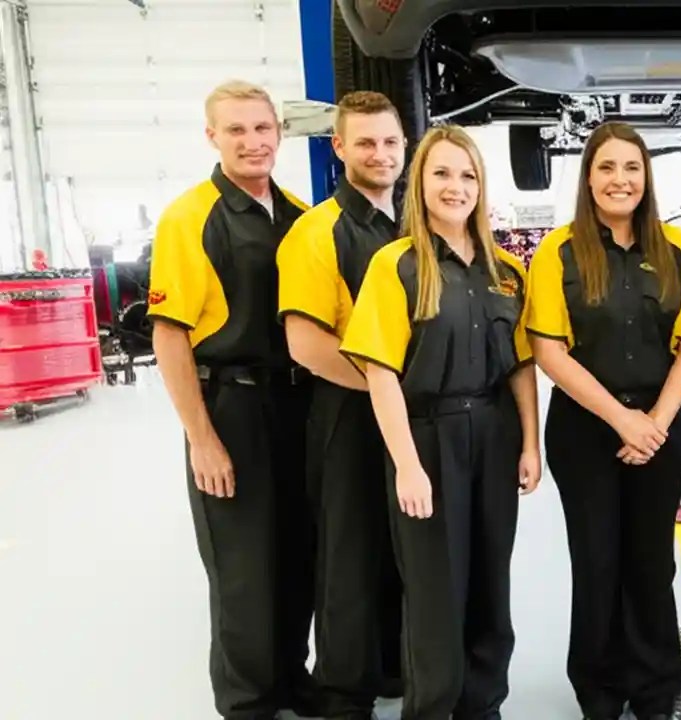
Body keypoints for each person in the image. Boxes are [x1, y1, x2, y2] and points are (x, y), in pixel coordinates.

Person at [338, 124, 541, 720]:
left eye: (468, 175)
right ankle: (430, 709)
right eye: (442, 174)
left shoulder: (507, 270)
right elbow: (379, 373)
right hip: (428, 437)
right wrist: (407, 465)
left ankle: (483, 706)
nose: (456, 187)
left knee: (489, 587)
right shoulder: (396, 265)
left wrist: (531, 443)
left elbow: (522, 366)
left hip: (496, 434)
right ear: (419, 182)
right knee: (433, 594)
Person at [524, 121, 681, 720]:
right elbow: (550, 351)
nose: (619, 179)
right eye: (606, 167)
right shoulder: (558, 252)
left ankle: (656, 686)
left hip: (660, 423)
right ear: (588, 177)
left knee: (653, 558)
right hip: (585, 429)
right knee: (598, 557)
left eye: (631, 167)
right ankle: (600, 689)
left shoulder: (672, 249)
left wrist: (655, 419)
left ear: (646, 177)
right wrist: (621, 421)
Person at [148, 79, 317, 719]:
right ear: (211, 136)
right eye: (237, 130)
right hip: (233, 406)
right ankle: (247, 700)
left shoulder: (298, 214)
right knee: (244, 566)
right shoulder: (190, 217)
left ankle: (291, 677)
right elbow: (170, 338)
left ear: (279, 133)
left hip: (298, 406)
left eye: (262, 128)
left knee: (299, 551)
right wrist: (202, 438)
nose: (253, 142)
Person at [276, 90, 405, 718]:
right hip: (349, 414)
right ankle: (344, 691)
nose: (379, 154)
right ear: (340, 148)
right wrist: (386, 389)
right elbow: (305, 343)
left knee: (403, 543)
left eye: (389, 142)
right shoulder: (317, 230)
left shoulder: (416, 223)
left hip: (408, 414)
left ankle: (392, 668)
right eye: (365, 142)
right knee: (349, 552)